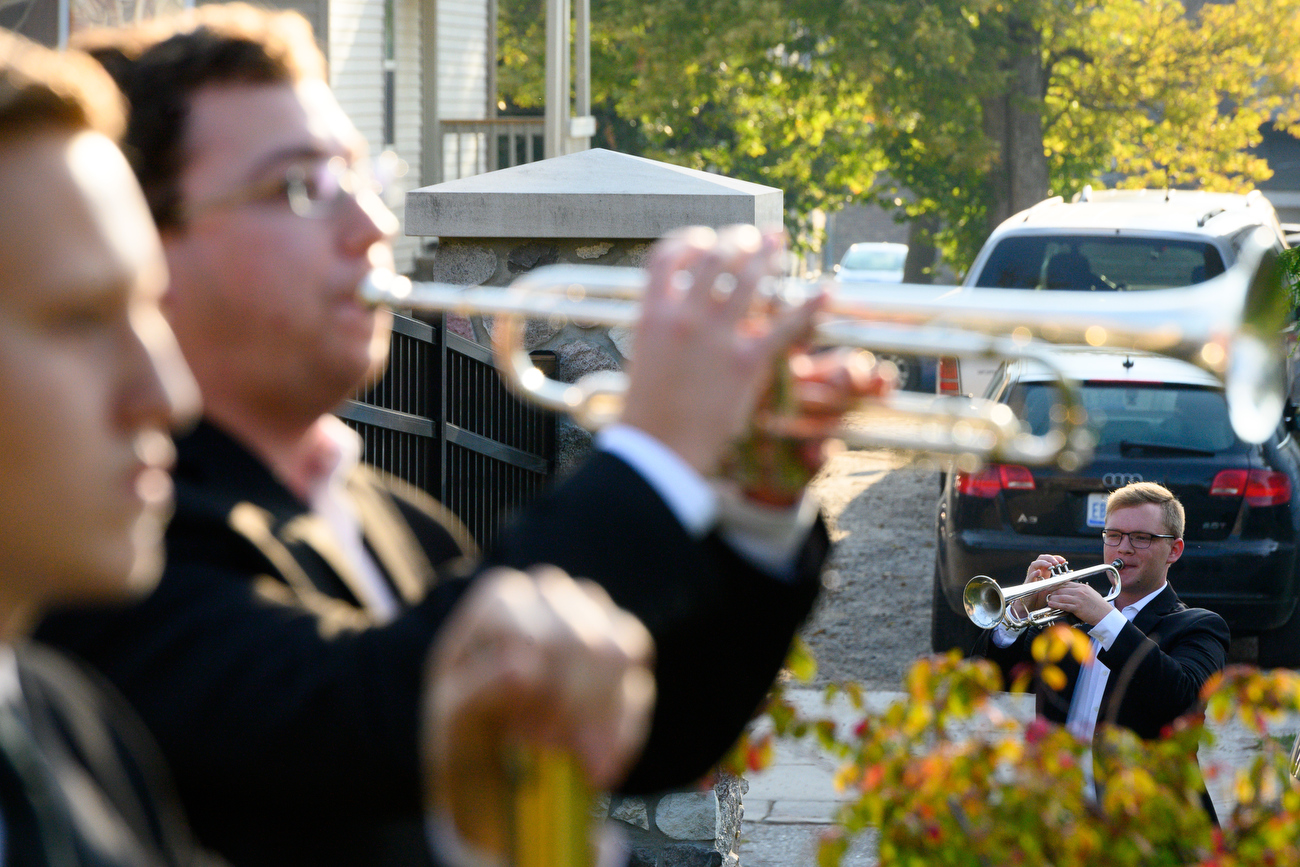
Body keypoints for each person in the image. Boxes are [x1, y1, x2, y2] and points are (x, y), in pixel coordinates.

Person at [34, 5, 888, 866]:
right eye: (300, 188)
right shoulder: (107, 543)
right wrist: (654, 451)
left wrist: (757, 500)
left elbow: (657, 737)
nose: (371, 222)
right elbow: (384, 708)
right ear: (143, 250)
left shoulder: (398, 517)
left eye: (361, 175)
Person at [0, 26, 658, 867]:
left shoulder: (61, 723)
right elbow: (365, 703)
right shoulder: (119, 599)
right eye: (82, 319)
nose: (162, 393)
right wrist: (656, 458)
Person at [976, 481, 1230, 819]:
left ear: (1174, 550)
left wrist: (1107, 620)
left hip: (1151, 822)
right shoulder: (1067, 621)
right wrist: (1019, 610)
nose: (1123, 549)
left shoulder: (1198, 626)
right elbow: (988, 676)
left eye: (1142, 538)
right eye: (1114, 535)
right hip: (1064, 818)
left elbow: (1181, 698)